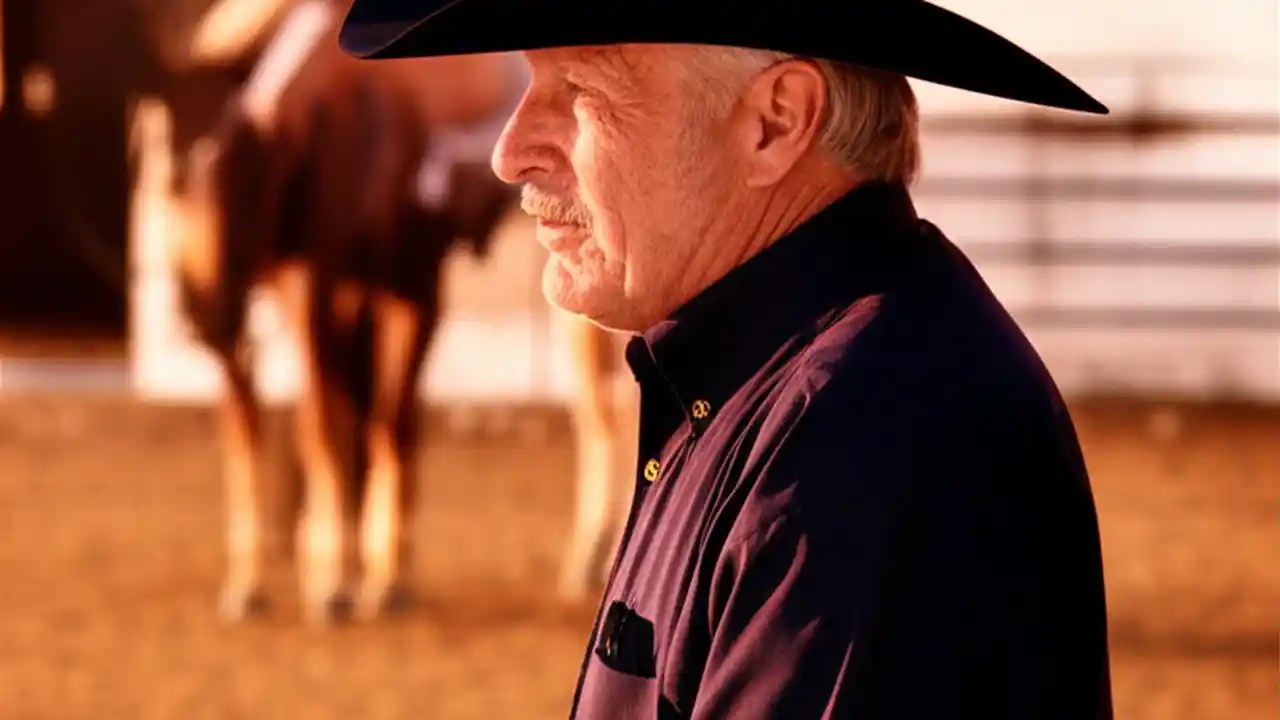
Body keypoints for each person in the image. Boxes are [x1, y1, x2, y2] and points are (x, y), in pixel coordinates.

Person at [339, 2, 1114, 717]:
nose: (511, 153)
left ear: (775, 123)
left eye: (578, 91)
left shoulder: (856, 431)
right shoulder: (770, 384)